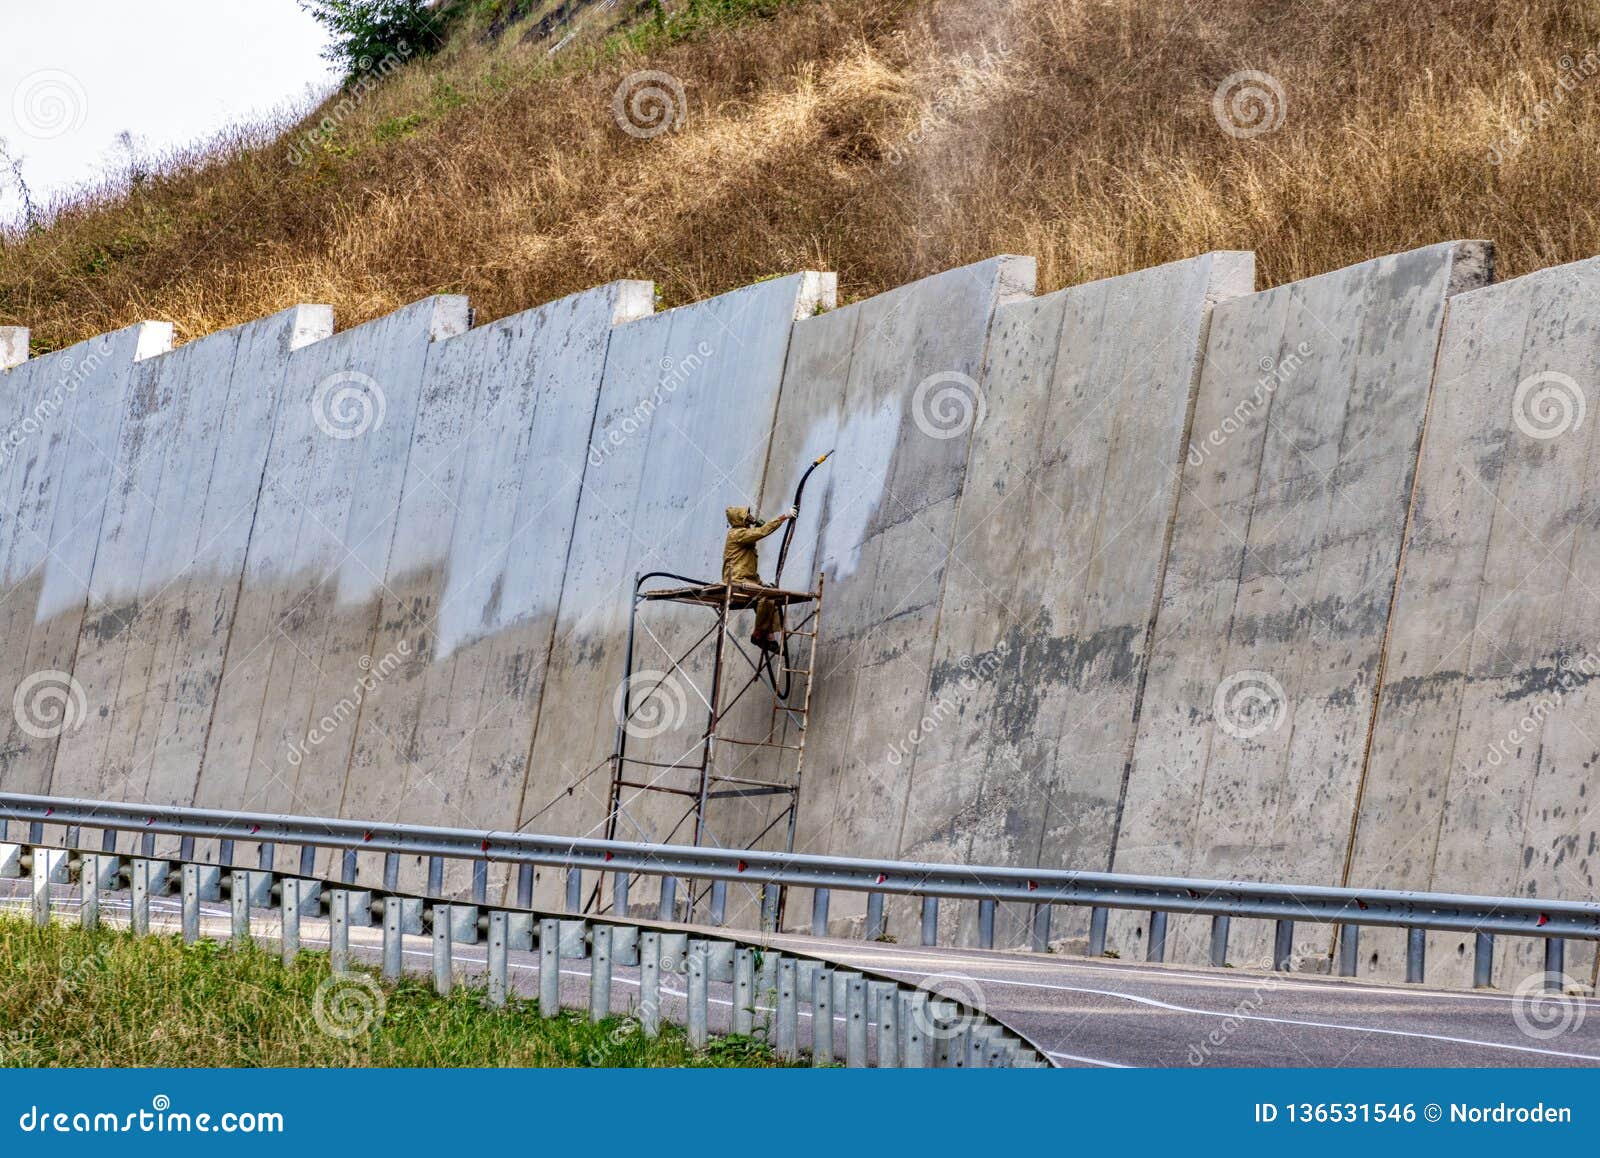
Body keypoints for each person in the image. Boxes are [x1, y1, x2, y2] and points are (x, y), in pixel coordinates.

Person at [722, 504, 795, 653]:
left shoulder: (744, 533)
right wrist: (784, 517)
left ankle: (769, 638)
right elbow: (762, 532)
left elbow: (756, 532)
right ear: (739, 519)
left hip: (750, 578)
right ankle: (757, 634)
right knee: (764, 596)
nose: (749, 517)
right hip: (737, 578)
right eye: (746, 515)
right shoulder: (736, 534)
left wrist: (755, 522)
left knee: (771, 598)